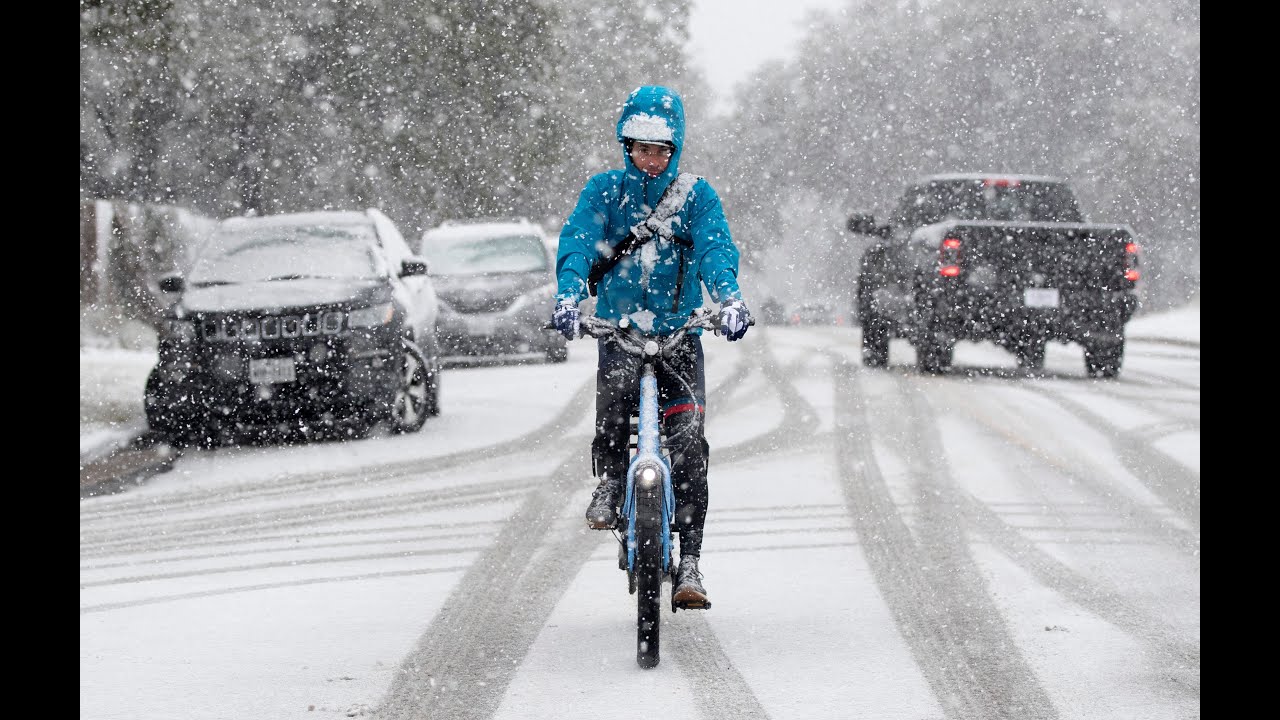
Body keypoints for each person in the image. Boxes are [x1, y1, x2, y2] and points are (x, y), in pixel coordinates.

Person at [551, 85, 751, 609]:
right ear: (625, 146)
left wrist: (728, 299)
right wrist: (569, 295)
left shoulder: (696, 197)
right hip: (621, 330)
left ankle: (689, 562)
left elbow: (715, 248)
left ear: (676, 148)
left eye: (661, 148)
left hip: (680, 335)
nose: (650, 157)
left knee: (688, 445)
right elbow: (577, 241)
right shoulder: (604, 193)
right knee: (613, 408)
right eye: (640, 147)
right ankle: (612, 481)